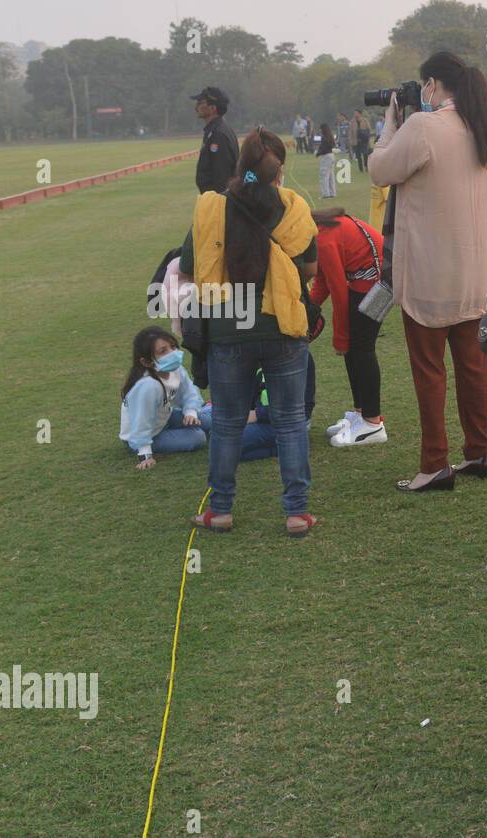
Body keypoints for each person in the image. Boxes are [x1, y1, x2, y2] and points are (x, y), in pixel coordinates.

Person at [370, 51, 487, 493]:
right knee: (473, 367)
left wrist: (391, 119)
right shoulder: (486, 130)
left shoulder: (423, 127)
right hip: (473, 277)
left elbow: (378, 170)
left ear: (431, 85)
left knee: (429, 371)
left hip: (429, 276)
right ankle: (479, 450)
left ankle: (434, 463)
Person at [179, 128, 319, 537]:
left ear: (240, 166)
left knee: (226, 422)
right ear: (278, 169)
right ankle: (296, 513)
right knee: (291, 421)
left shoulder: (211, 208)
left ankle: (219, 510)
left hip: (228, 321)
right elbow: (310, 270)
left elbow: (189, 266)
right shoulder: (294, 207)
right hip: (283, 323)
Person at [310, 208, 386, 447]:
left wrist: (340, 339)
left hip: (381, 284)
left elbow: (339, 293)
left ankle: (373, 423)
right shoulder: (321, 229)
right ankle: (361, 412)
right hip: (369, 279)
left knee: (361, 347)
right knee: (356, 347)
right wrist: (307, 309)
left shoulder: (322, 240)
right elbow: (323, 279)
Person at [120, 326, 206, 469]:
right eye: (163, 351)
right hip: (143, 435)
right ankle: (147, 446)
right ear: (147, 362)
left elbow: (188, 391)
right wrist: (145, 454)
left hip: (165, 419)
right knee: (198, 437)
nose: (173, 353)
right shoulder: (148, 386)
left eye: (173, 347)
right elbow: (141, 421)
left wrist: (190, 411)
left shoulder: (175, 369)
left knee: (208, 420)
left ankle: (207, 412)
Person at [191, 86, 239, 194]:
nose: (196, 107)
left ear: (213, 108)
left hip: (218, 201)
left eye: (200, 103)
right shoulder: (215, 130)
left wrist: (217, 203)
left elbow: (222, 177)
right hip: (212, 198)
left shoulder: (218, 134)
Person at [317, 123, 337, 199]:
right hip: (331, 156)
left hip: (326, 157)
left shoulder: (324, 138)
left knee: (324, 175)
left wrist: (318, 153)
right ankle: (332, 193)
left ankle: (326, 194)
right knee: (331, 175)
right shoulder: (330, 136)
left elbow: (324, 149)